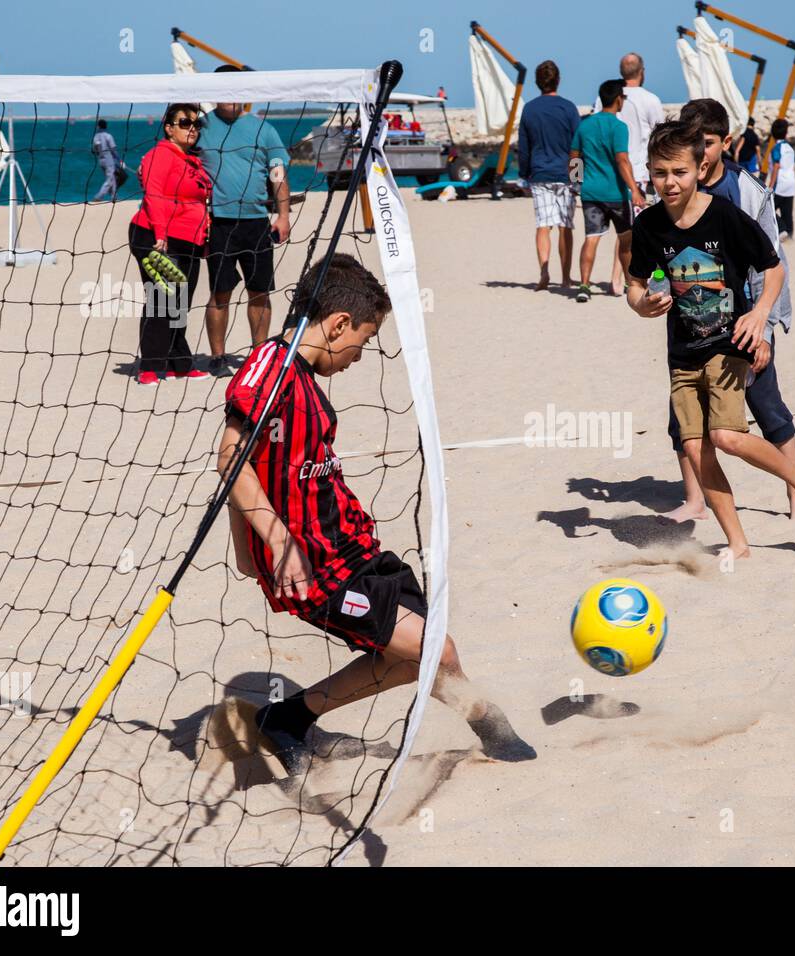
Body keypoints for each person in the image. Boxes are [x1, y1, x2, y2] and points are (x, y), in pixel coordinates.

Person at [221, 254, 536, 773]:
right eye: (364, 340)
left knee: (419, 654)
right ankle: (487, 720)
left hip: (351, 549)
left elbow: (258, 462)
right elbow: (233, 457)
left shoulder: (300, 379)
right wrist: (270, 542)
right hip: (311, 565)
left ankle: (290, 719)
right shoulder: (271, 369)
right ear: (339, 322)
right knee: (435, 650)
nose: (360, 355)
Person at [627, 120, 795, 557]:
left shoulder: (723, 216)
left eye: (679, 172)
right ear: (648, 171)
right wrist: (641, 304)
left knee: (726, 437)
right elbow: (635, 285)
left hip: (729, 346)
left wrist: (760, 317)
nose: (669, 182)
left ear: (699, 170)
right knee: (697, 450)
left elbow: (773, 266)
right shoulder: (648, 226)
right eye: (660, 172)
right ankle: (738, 544)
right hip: (682, 353)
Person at [665, 98, 795, 528]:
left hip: (744, 324)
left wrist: (765, 327)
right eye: (691, 143)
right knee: (684, 421)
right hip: (690, 327)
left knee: (768, 410)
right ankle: (694, 500)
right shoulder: (677, 188)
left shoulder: (745, 190)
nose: (699, 152)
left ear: (725, 142)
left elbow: (772, 263)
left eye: (707, 144)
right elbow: (663, 256)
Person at [198, 65, 292, 376]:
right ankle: (217, 357)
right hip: (218, 223)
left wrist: (283, 215)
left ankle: (258, 354)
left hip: (256, 223)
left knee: (259, 291)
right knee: (220, 292)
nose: (229, 96)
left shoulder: (264, 130)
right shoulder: (199, 127)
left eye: (235, 89)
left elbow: (278, 175)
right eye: (223, 89)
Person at [128, 103, 212, 385]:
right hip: (156, 236)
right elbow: (154, 196)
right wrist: (161, 235)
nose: (192, 129)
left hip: (189, 239)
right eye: (185, 123)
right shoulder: (159, 156)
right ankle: (150, 367)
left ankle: (179, 363)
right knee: (161, 300)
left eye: (196, 124)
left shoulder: (191, 160)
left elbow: (197, 202)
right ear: (169, 127)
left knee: (180, 303)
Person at [571, 79, 645, 303]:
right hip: (616, 194)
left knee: (591, 238)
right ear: (617, 100)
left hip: (591, 192)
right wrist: (635, 190)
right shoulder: (619, 127)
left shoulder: (584, 125)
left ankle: (584, 285)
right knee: (625, 241)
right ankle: (630, 283)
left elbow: (574, 156)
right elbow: (622, 159)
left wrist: (577, 183)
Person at [519, 60, 581, 292]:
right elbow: (578, 145)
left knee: (543, 225)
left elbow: (523, 147)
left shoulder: (529, 109)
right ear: (558, 80)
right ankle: (565, 277)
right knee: (565, 226)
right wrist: (578, 178)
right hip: (565, 174)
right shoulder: (568, 108)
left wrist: (524, 175)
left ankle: (544, 272)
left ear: (537, 82)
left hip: (539, 173)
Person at [608, 53, 665, 295]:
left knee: (624, 227)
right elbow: (661, 136)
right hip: (639, 172)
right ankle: (630, 279)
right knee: (637, 228)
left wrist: (579, 176)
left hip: (613, 171)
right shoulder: (650, 99)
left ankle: (616, 278)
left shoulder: (608, 97)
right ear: (642, 71)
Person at [766, 118, 795, 239]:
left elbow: (776, 166)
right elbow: (793, 167)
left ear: (772, 134)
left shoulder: (776, 148)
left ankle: (782, 229)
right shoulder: (790, 148)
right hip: (791, 183)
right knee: (787, 212)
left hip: (780, 184)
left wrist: (771, 186)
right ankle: (790, 235)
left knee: (768, 209)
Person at [91, 119, 121, 202]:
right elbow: (113, 149)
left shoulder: (96, 137)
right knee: (110, 179)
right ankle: (98, 196)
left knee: (112, 177)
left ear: (98, 126)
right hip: (109, 160)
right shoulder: (108, 136)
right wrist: (119, 159)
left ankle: (114, 196)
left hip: (101, 160)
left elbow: (94, 149)